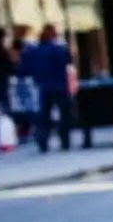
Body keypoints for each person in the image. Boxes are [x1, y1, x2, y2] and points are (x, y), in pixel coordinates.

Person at [19, 25, 73, 153]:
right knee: (64, 115)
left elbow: (24, 71)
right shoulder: (61, 50)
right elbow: (69, 62)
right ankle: (65, 141)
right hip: (60, 86)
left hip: (41, 88)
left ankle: (43, 142)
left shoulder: (32, 52)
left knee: (43, 117)